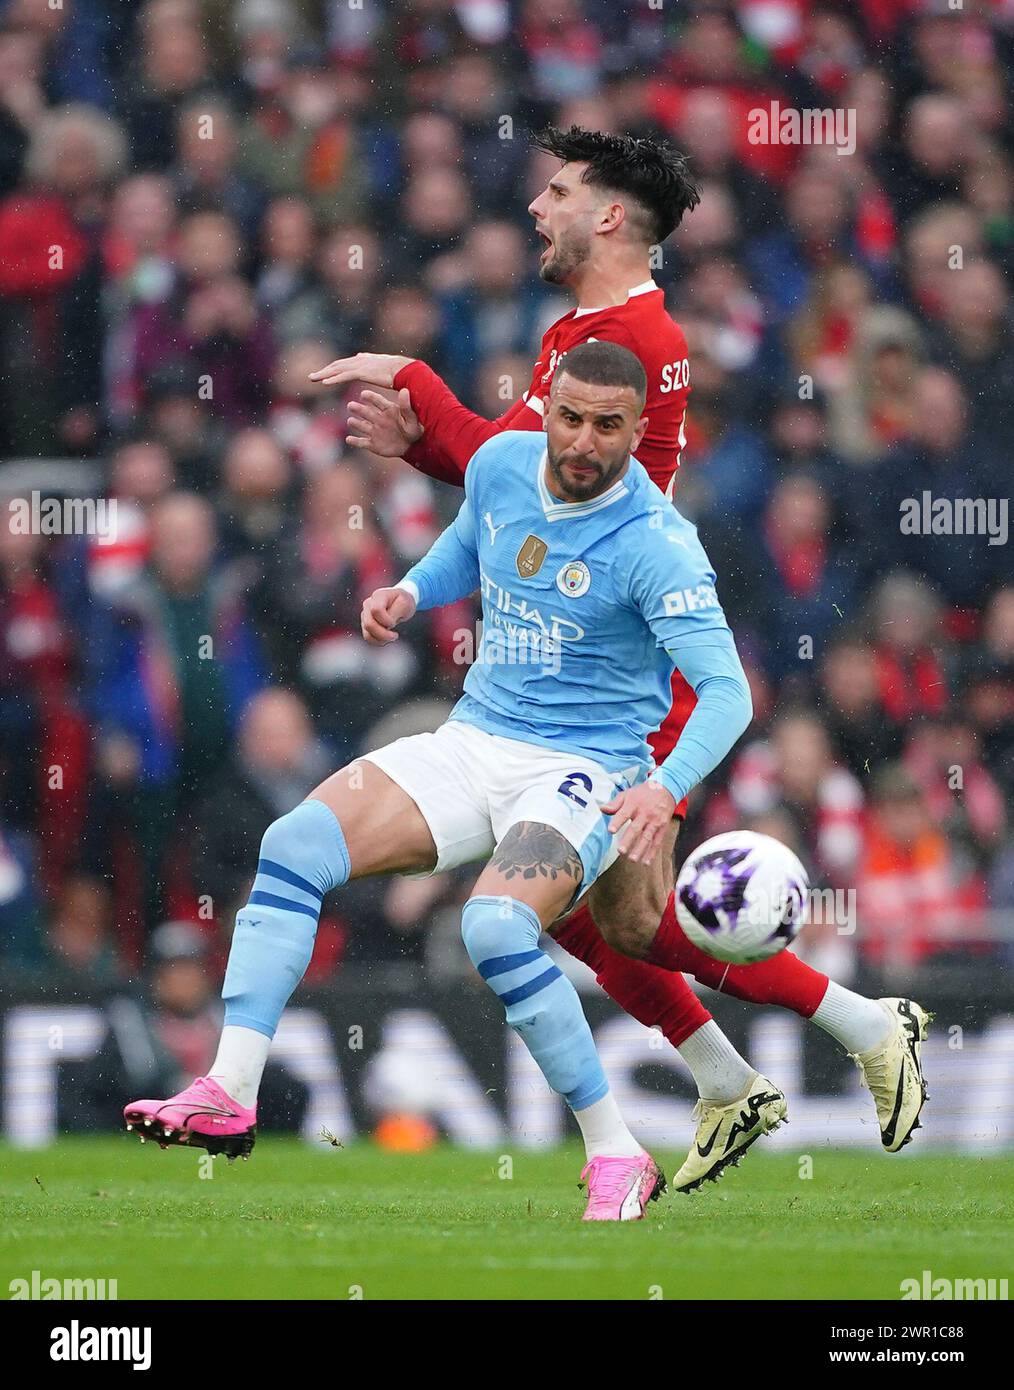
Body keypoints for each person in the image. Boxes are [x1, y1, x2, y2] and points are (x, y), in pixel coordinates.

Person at [311, 127, 931, 1175]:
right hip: (603, 660)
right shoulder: (599, 327)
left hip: (631, 681)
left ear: (606, 216)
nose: (534, 209)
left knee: (610, 913)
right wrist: (419, 442)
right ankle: (744, 1077)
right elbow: (512, 481)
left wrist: (414, 380)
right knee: (604, 919)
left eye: (555, 193)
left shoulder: (624, 344)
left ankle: (856, 1029)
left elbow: (498, 460)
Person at [125, 343, 775, 1220]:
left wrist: (664, 786)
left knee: (496, 925)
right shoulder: (506, 462)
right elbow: (473, 544)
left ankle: (616, 1152)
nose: (582, 441)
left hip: (584, 767)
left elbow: (729, 693)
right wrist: (408, 591)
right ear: (546, 407)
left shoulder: (660, 543)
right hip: (476, 735)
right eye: (570, 417)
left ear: (639, 430)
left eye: (607, 426)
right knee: (294, 844)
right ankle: (228, 1088)